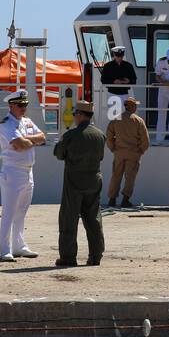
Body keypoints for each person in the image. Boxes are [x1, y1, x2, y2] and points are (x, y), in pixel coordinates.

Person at [51, 98, 106, 266]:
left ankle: (68, 257)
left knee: (69, 219)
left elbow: (59, 154)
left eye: (75, 114)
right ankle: (95, 256)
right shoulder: (99, 135)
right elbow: (101, 157)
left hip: (74, 182)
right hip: (94, 180)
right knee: (93, 219)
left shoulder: (71, 135)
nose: (74, 117)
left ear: (81, 115)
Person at [0, 91, 46, 261]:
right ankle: (5, 249)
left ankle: (19, 246)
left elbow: (42, 137)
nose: (23, 108)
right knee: (9, 211)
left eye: (25, 105)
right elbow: (20, 145)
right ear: (11, 106)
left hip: (28, 171)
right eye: (20, 105)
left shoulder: (27, 122)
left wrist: (27, 138)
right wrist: (29, 140)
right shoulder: (6, 124)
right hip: (13, 171)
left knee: (21, 211)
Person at [105, 96, 149, 208]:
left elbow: (109, 135)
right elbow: (145, 140)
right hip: (133, 153)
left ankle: (112, 199)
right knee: (130, 177)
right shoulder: (138, 120)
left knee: (116, 175)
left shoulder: (116, 118)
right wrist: (141, 151)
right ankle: (125, 199)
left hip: (119, 152)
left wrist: (112, 148)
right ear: (133, 107)